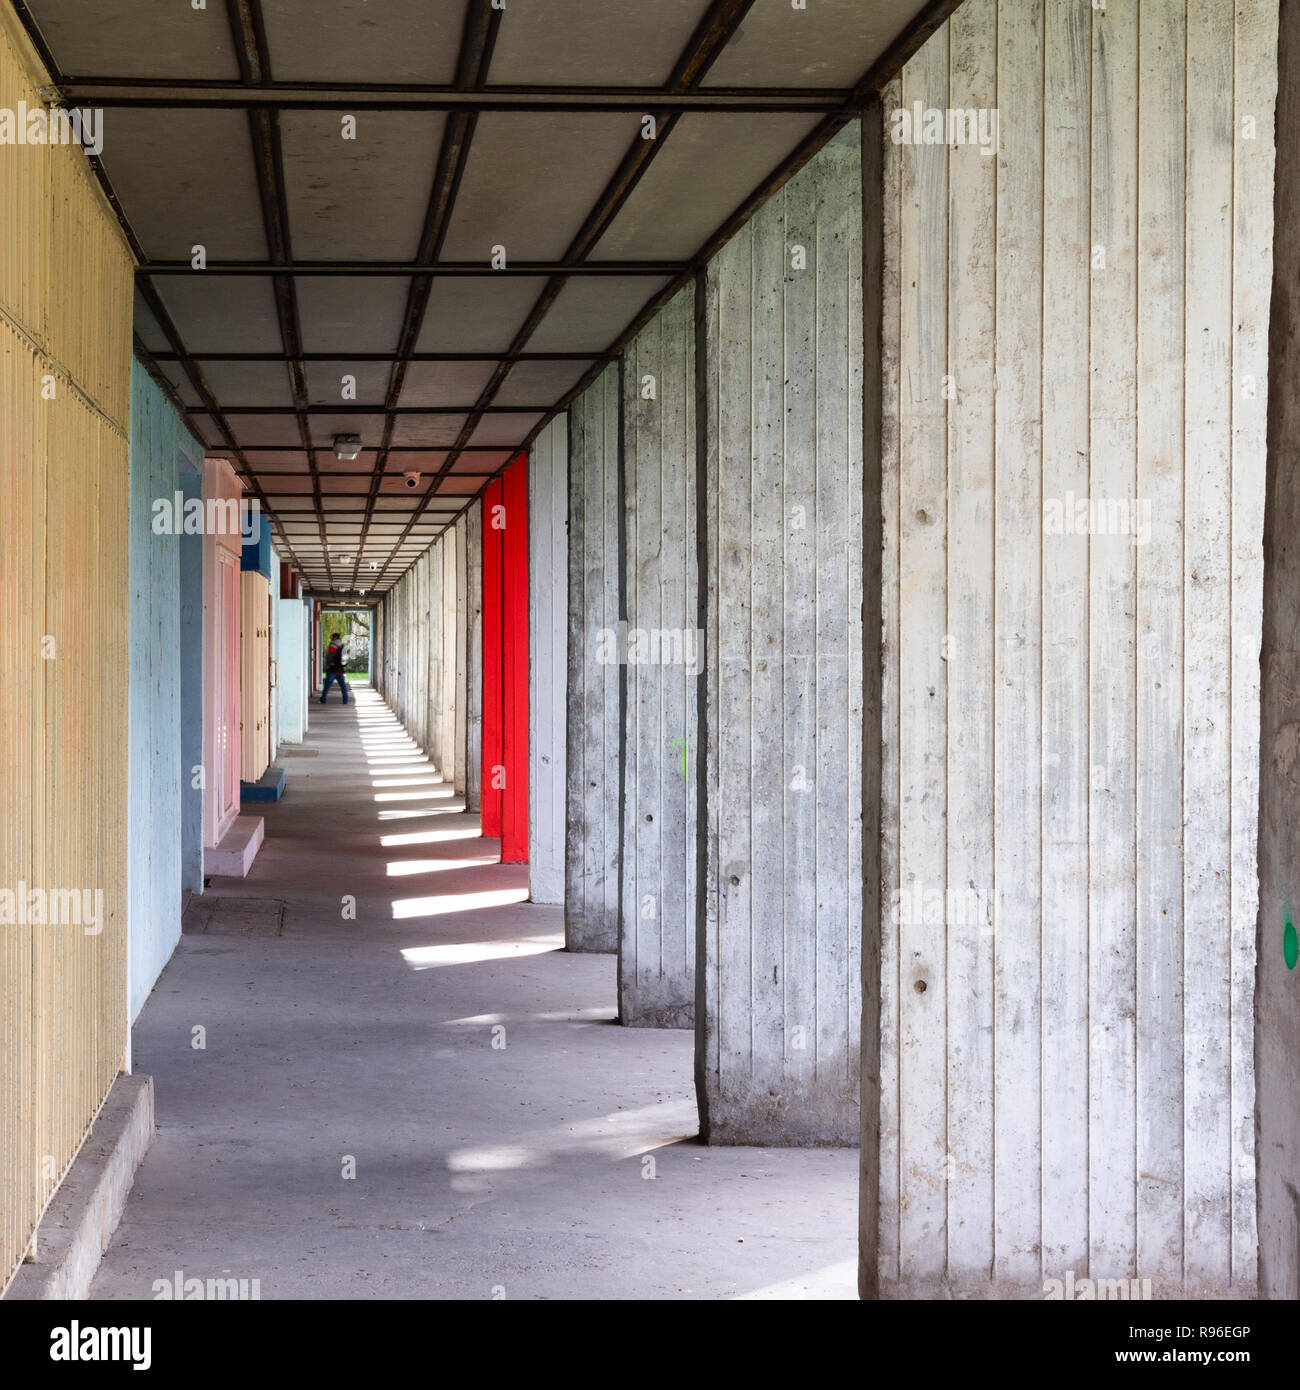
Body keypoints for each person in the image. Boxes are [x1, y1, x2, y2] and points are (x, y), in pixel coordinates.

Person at [321, 633, 349, 705]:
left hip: (332, 669)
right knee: (343, 686)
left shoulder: (333, 645)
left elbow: (330, 656)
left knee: (327, 685)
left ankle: (323, 699)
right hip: (340, 669)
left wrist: (329, 664)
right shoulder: (342, 645)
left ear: (335, 637)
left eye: (332, 637)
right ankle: (345, 700)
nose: (331, 638)